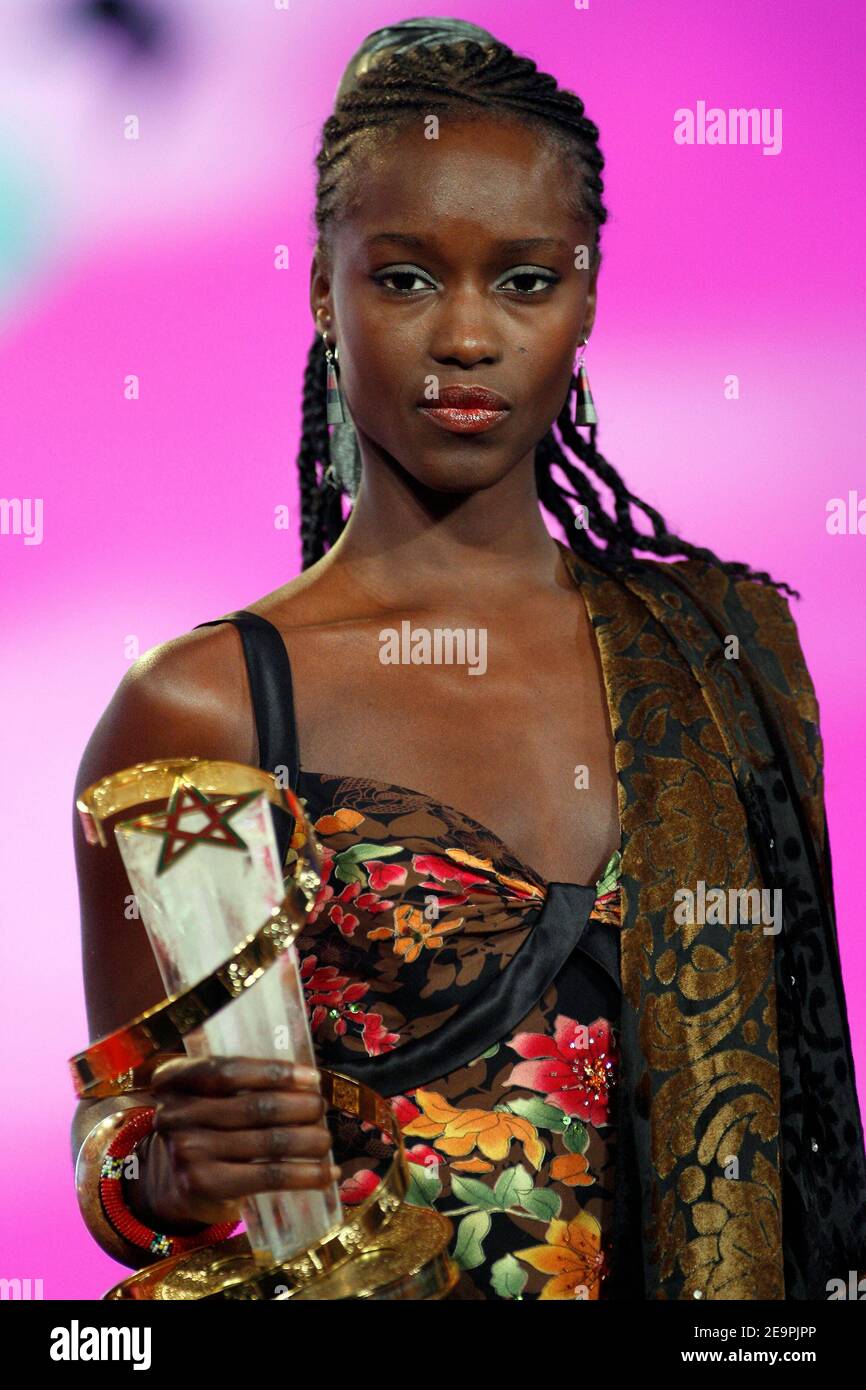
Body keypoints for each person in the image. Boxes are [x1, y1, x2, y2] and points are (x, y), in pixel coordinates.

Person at [71, 17, 866, 1300]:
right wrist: (157, 1173)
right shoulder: (200, 703)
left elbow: (808, 1122)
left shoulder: (721, 657)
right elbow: (124, 1129)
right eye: (401, 278)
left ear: (587, 294)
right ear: (319, 290)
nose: (464, 336)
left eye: (522, 279)